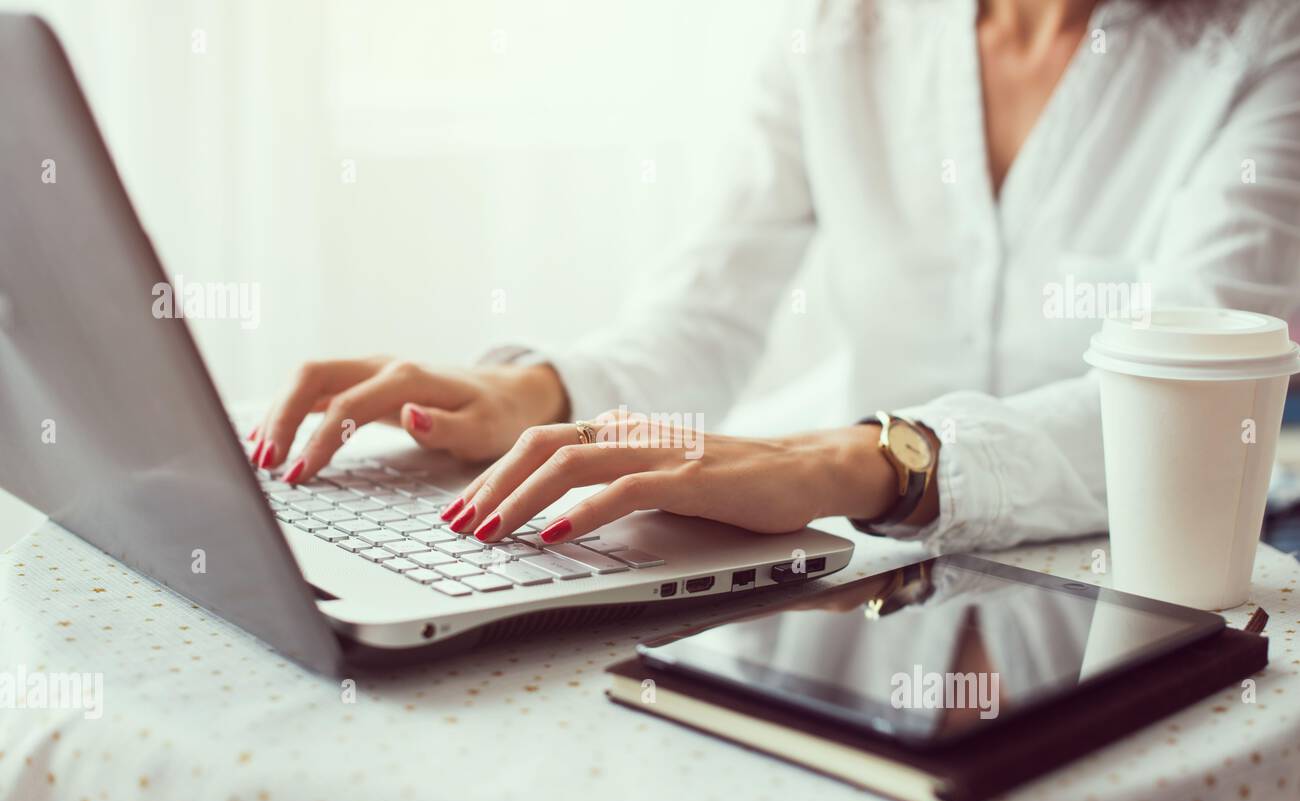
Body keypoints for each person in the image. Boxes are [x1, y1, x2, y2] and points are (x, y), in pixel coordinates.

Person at [249, 0, 1300, 551]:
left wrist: (854, 462)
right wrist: (539, 390)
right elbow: (702, 318)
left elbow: (1189, 410)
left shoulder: (1268, 38)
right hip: (874, 555)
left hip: (1162, 571)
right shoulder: (840, 24)